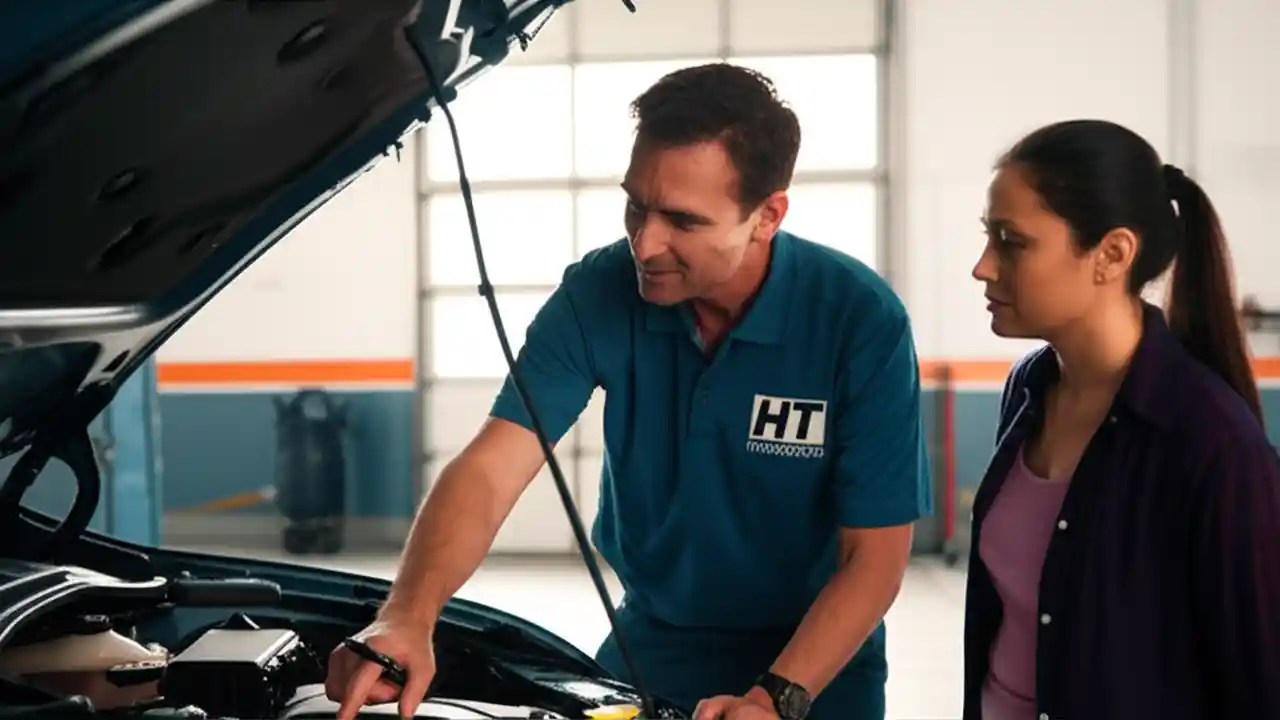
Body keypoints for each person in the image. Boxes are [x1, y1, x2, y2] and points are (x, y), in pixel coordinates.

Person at [324, 62, 932, 720]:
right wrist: (408, 616)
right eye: (635, 205)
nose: (645, 243)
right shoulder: (598, 291)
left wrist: (775, 699)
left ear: (767, 215)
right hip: (655, 642)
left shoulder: (858, 321)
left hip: (816, 662)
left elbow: (873, 557)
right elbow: (493, 467)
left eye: (683, 220)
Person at [966, 118, 1280, 720]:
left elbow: (1258, 681)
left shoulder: (1210, 442)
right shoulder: (1029, 390)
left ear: (1111, 254)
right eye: (987, 236)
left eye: (1012, 240)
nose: (983, 266)